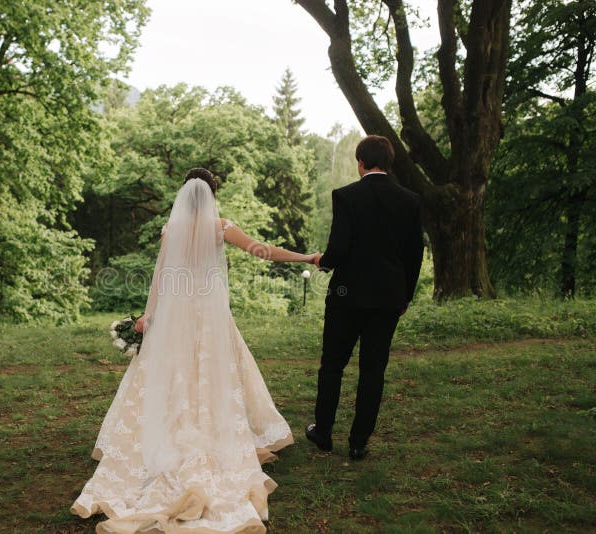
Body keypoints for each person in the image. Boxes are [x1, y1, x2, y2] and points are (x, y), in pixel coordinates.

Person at [72, 168, 319, 533]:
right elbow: (263, 251)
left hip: (175, 317)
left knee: (173, 377)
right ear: (212, 195)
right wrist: (305, 257)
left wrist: (148, 315)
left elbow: (160, 276)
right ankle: (210, 432)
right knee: (216, 375)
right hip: (209, 317)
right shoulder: (219, 227)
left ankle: (174, 433)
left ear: (184, 194)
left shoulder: (170, 230)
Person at [305, 135, 424, 460]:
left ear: (360, 162)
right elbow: (415, 254)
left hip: (347, 296)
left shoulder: (346, 196)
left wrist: (324, 262)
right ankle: (358, 442)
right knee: (373, 369)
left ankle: (324, 432)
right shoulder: (410, 200)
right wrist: (405, 296)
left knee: (332, 365)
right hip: (388, 299)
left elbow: (340, 247)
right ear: (388, 163)